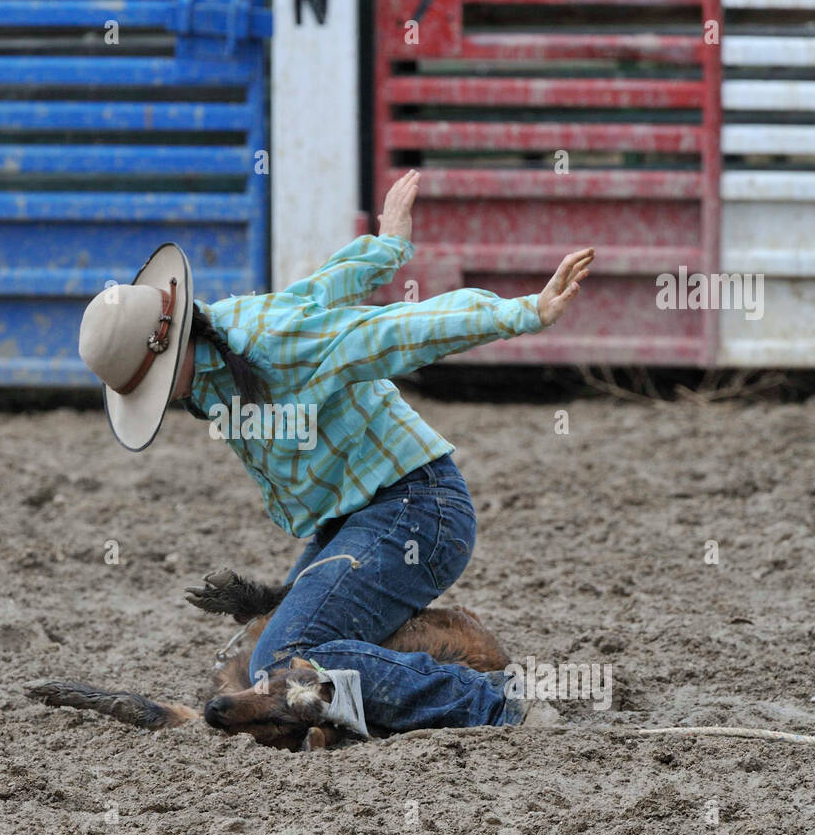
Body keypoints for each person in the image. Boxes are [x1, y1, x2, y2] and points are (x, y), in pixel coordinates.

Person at [77, 169, 593, 732]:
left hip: (414, 509)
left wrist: (522, 312)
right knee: (268, 668)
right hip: (363, 514)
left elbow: (397, 330)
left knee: (284, 662)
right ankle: (381, 695)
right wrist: (388, 245)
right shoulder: (224, 343)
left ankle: (496, 704)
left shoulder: (269, 341)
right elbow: (324, 287)